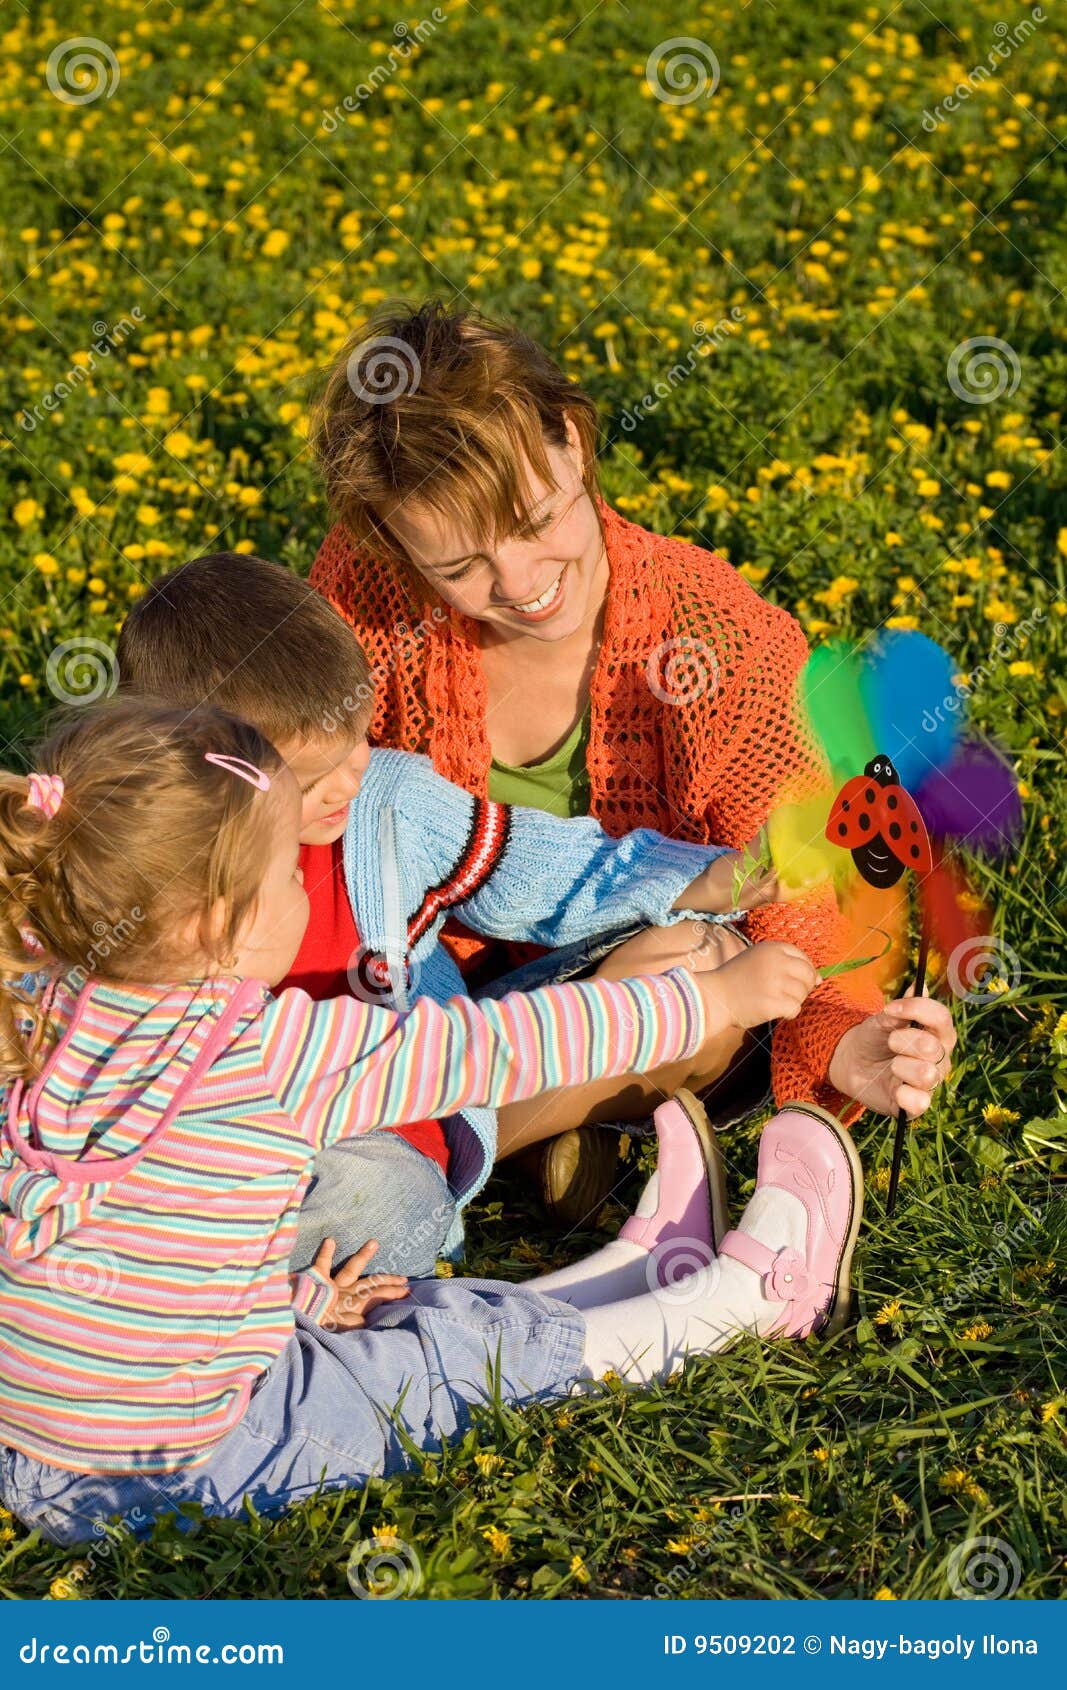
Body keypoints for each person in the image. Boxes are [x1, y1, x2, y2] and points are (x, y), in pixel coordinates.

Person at [0, 699, 857, 1548]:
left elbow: (140, 1252)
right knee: (445, 1362)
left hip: (39, 1449)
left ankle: (646, 1270)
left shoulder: (39, 1020)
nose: (306, 883)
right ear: (221, 922)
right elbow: (498, 1047)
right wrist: (707, 1000)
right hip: (197, 1459)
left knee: (386, 1312)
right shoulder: (267, 1051)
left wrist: (296, 1302)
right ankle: (743, 1304)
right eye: (290, 873)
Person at [309, 299, 956, 1210]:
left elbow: (791, 873)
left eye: (536, 520)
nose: (520, 584)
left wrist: (839, 1038)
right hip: (424, 980)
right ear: (391, 544)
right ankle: (527, 1130)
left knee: (700, 967)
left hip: (625, 977)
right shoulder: (365, 593)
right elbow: (301, 799)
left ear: (573, 441)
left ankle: (410, 1150)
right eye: (458, 569)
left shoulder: (712, 633)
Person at [117, 551, 785, 1270]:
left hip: (404, 1105)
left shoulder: (387, 806)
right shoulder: (147, 863)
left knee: (380, 1195)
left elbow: (533, 869)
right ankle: (211, 1267)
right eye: (310, 780)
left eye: (356, 741)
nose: (346, 782)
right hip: (226, 1130)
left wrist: (704, 880)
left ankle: (236, 1270)